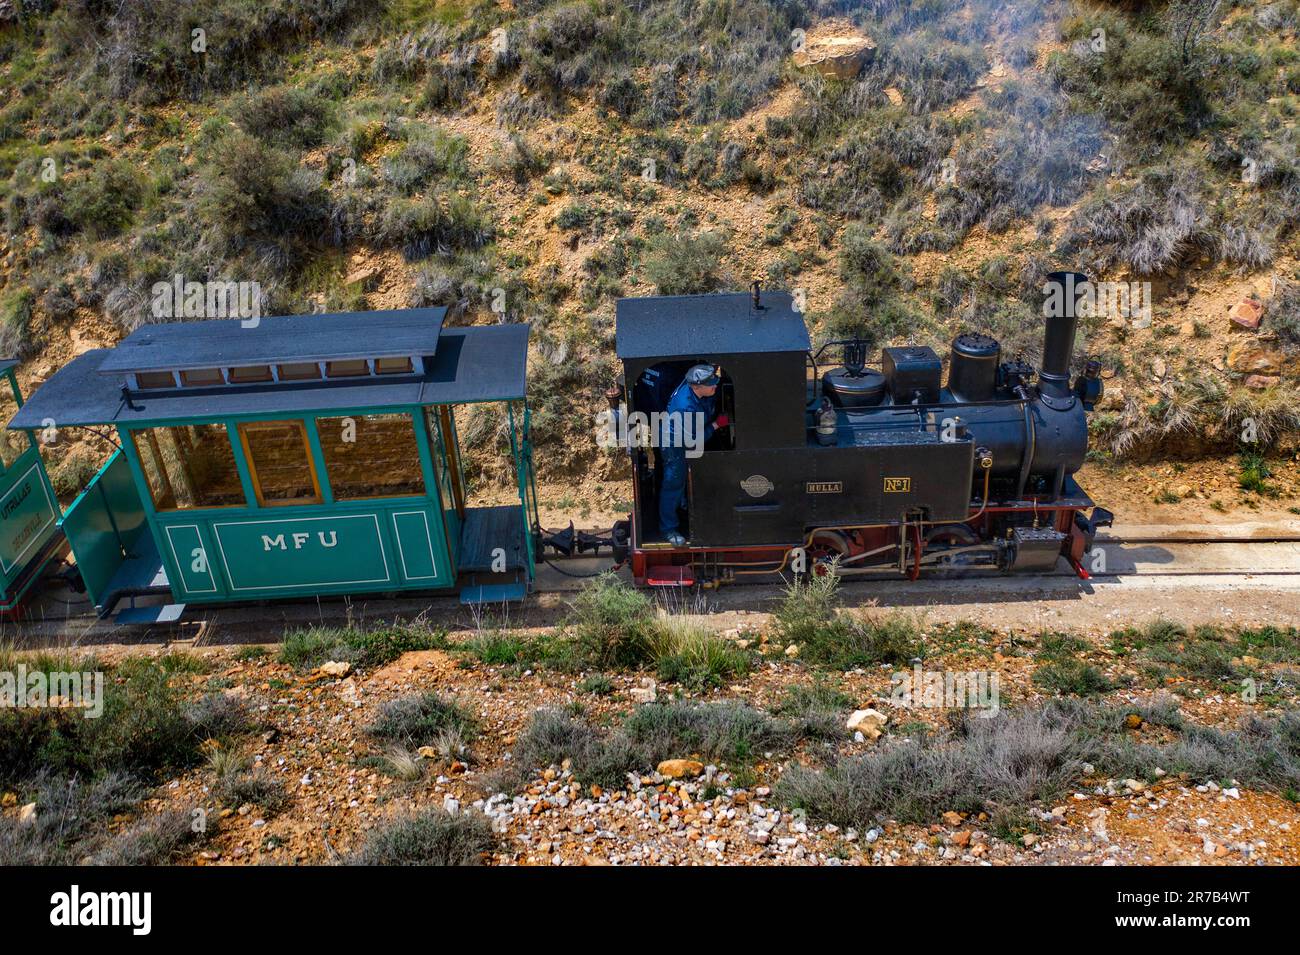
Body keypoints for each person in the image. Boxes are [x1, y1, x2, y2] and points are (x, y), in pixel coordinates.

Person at [659, 364, 730, 547]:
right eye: (711, 384)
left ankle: (683, 502)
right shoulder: (685, 407)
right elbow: (692, 439)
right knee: (673, 483)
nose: (715, 386)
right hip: (675, 445)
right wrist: (716, 425)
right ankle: (669, 529)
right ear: (697, 387)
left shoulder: (698, 390)